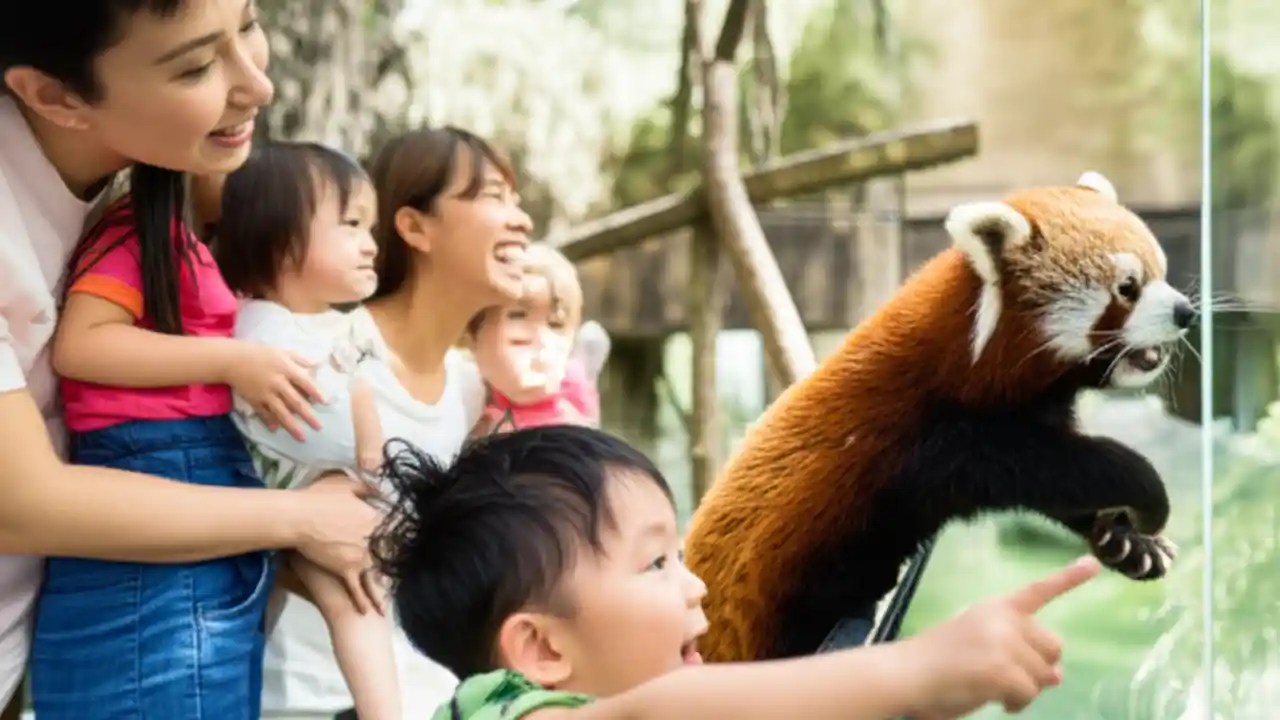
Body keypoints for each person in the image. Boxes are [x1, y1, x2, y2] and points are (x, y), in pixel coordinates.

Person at [0, 1, 380, 714]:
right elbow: (19, 504)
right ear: (55, 96)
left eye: (250, 22)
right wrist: (298, 519)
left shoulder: (147, 181)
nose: (257, 85)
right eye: (198, 64)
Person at [372, 424, 1102, 720]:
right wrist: (916, 670)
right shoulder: (502, 712)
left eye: (680, 556)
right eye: (656, 562)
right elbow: (664, 714)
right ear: (540, 650)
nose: (696, 585)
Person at [257, 125, 535, 718]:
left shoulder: (468, 389)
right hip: (297, 700)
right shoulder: (321, 354)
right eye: (491, 196)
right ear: (413, 226)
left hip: (420, 698)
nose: (521, 220)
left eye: (517, 200)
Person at [213, 140, 401, 720]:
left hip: (318, 500)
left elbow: (361, 418)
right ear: (280, 236)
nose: (371, 244)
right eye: (350, 225)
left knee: (359, 600)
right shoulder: (257, 326)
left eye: (370, 227)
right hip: (271, 498)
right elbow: (321, 418)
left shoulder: (338, 328)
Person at [466, 243, 602, 435]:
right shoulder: (463, 390)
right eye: (517, 316)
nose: (542, 342)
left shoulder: (572, 398)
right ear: (473, 334)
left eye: (556, 324)